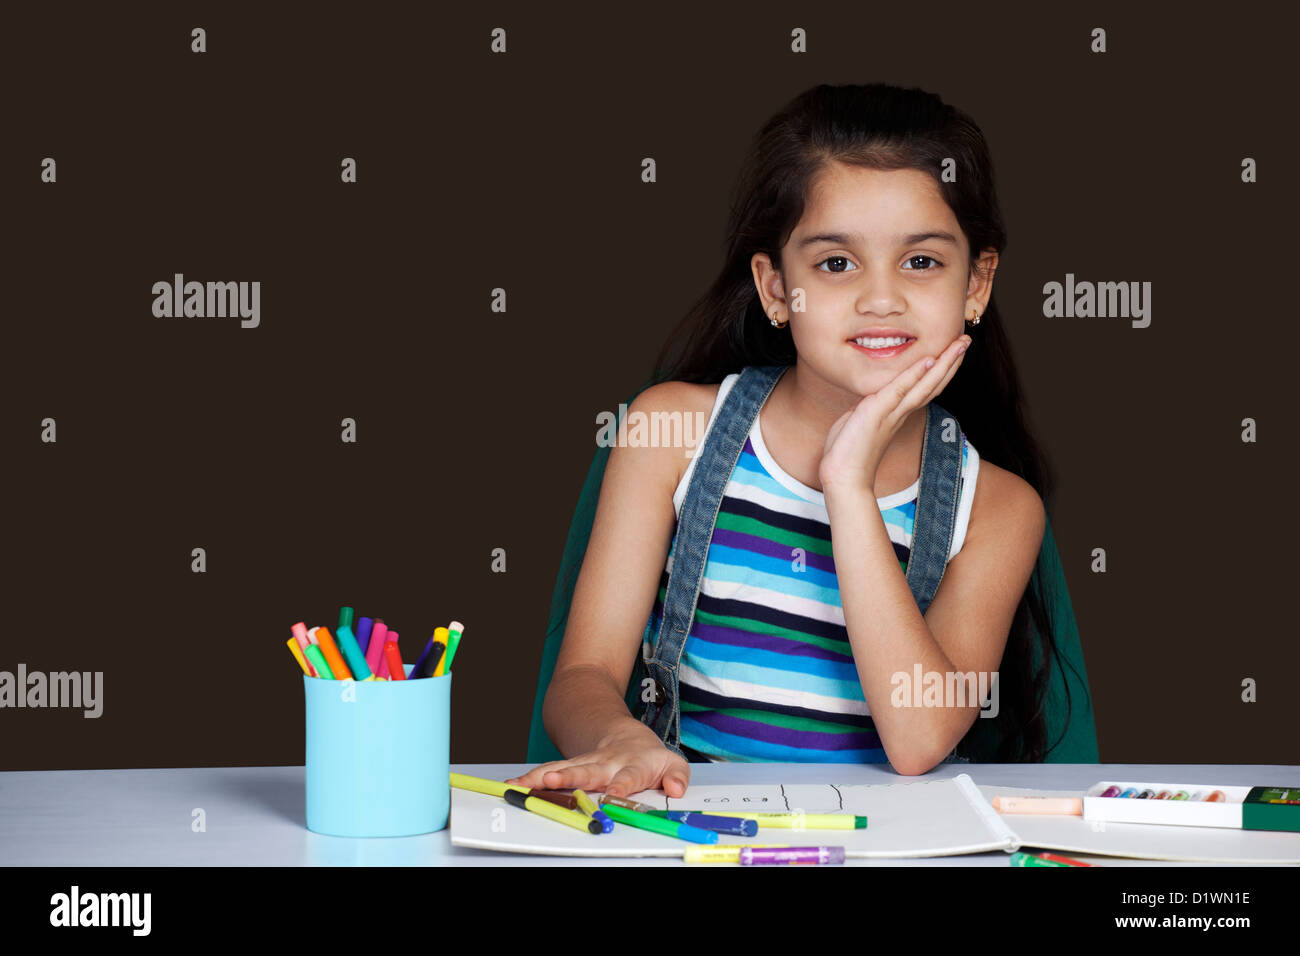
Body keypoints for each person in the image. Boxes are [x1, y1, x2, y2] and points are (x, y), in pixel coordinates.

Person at [509, 82, 1067, 799]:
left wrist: (849, 484)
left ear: (977, 285)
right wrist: (619, 735)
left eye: (921, 261)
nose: (881, 298)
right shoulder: (671, 431)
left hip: (884, 845)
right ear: (776, 289)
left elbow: (919, 738)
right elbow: (582, 676)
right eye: (836, 263)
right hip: (695, 828)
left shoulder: (997, 507)